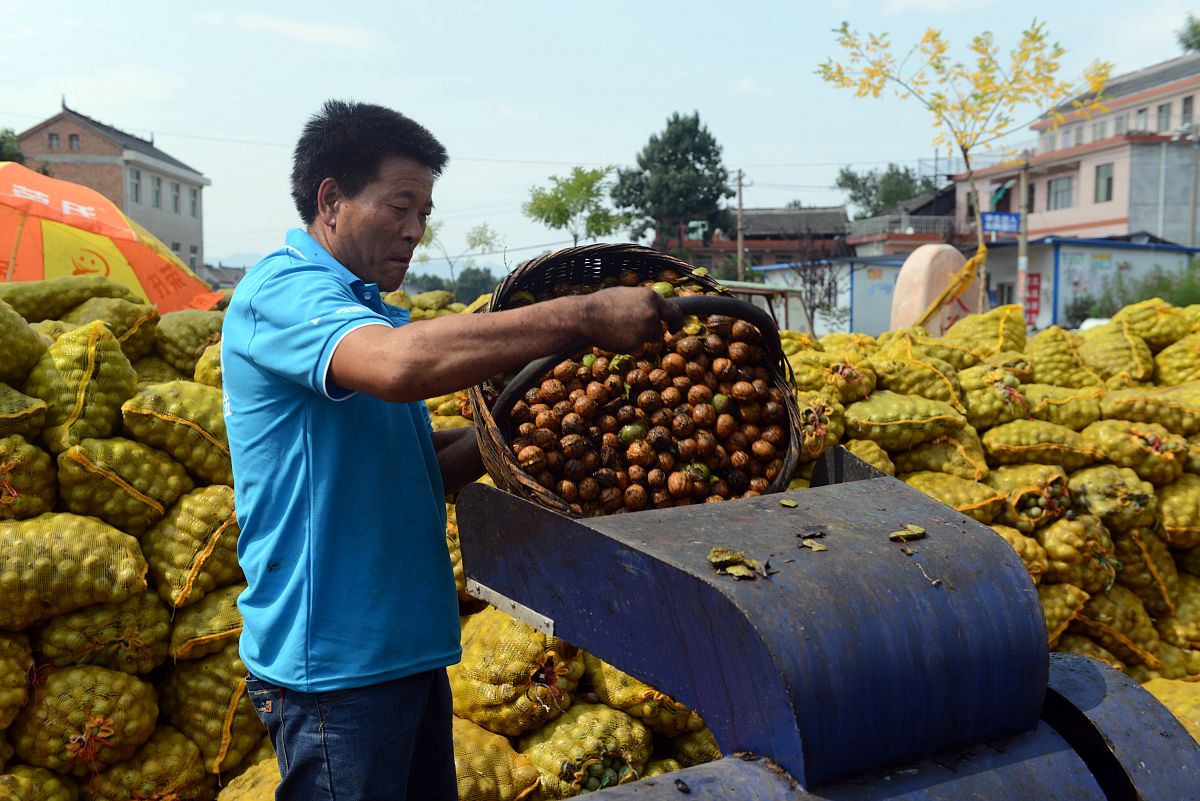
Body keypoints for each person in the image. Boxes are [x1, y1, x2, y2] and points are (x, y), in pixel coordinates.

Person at [221, 99, 681, 801]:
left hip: (404, 652)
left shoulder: (363, 307)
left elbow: (416, 470)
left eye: (425, 213)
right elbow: (401, 365)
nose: (415, 230)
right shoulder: (282, 291)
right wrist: (583, 317)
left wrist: (511, 432)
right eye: (400, 205)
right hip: (334, 670)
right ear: (331, 200)